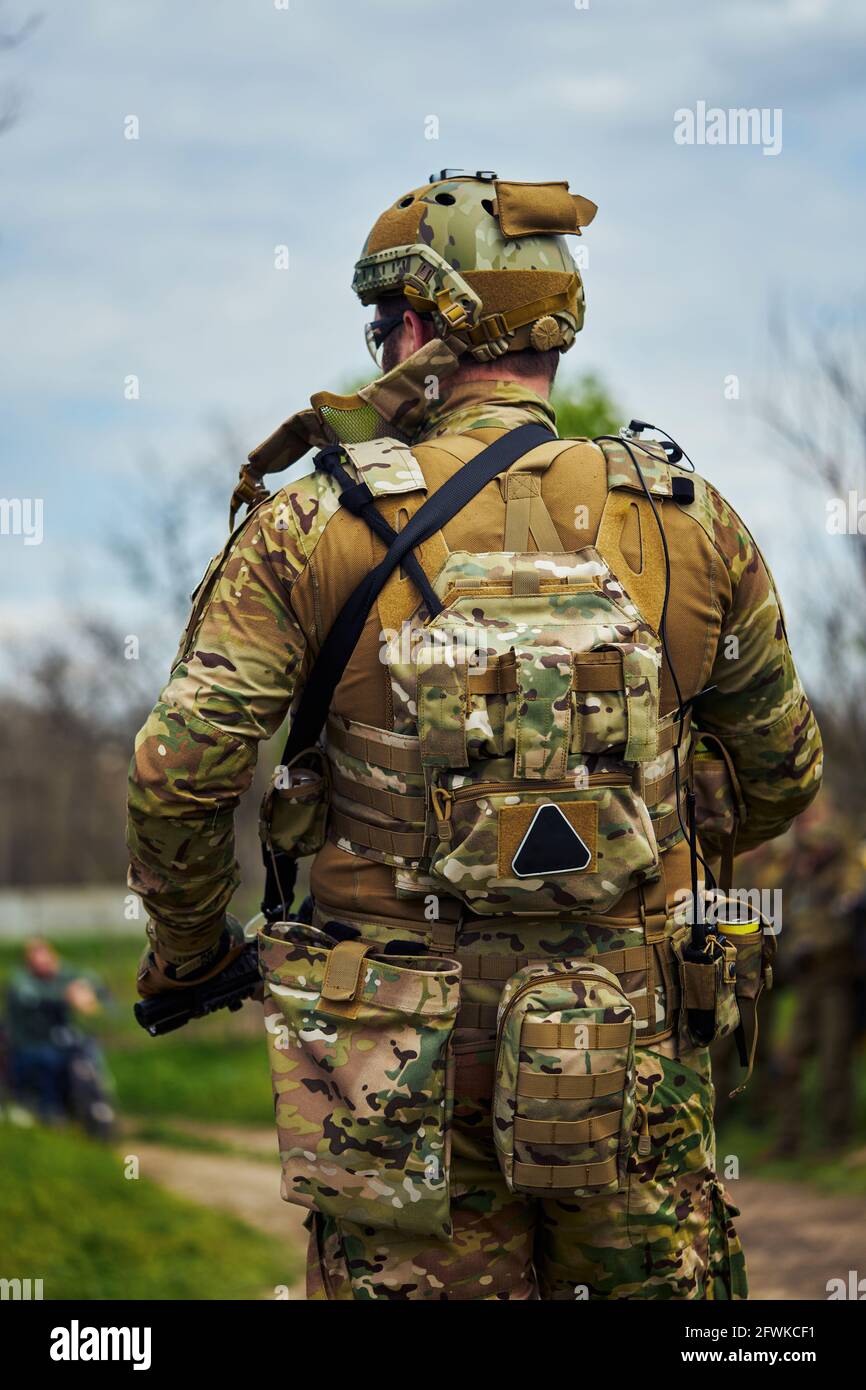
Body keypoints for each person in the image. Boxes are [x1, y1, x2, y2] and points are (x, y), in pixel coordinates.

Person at [128, 171, 822, 1300]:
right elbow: (781, 772)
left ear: (417, 325)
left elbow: (177, 778)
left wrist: (192, 952)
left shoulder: (312, 524)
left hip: (390, 1069)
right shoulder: (689, 524)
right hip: (628, 1047)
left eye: (377, 322)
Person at [5, 938, 113, 1135]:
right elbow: (33, 996)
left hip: (60, 1041)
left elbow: (86, 978)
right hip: (30, 1044)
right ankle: (51, 1111)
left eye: (47, 962)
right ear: (29, 964)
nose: (44, 967)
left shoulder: (62, 974)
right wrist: (68, 995)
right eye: (37, 963)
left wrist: (85, 988)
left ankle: (100, 1099)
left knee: (87, 1052)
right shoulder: (20, 981)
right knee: (48, 1061)